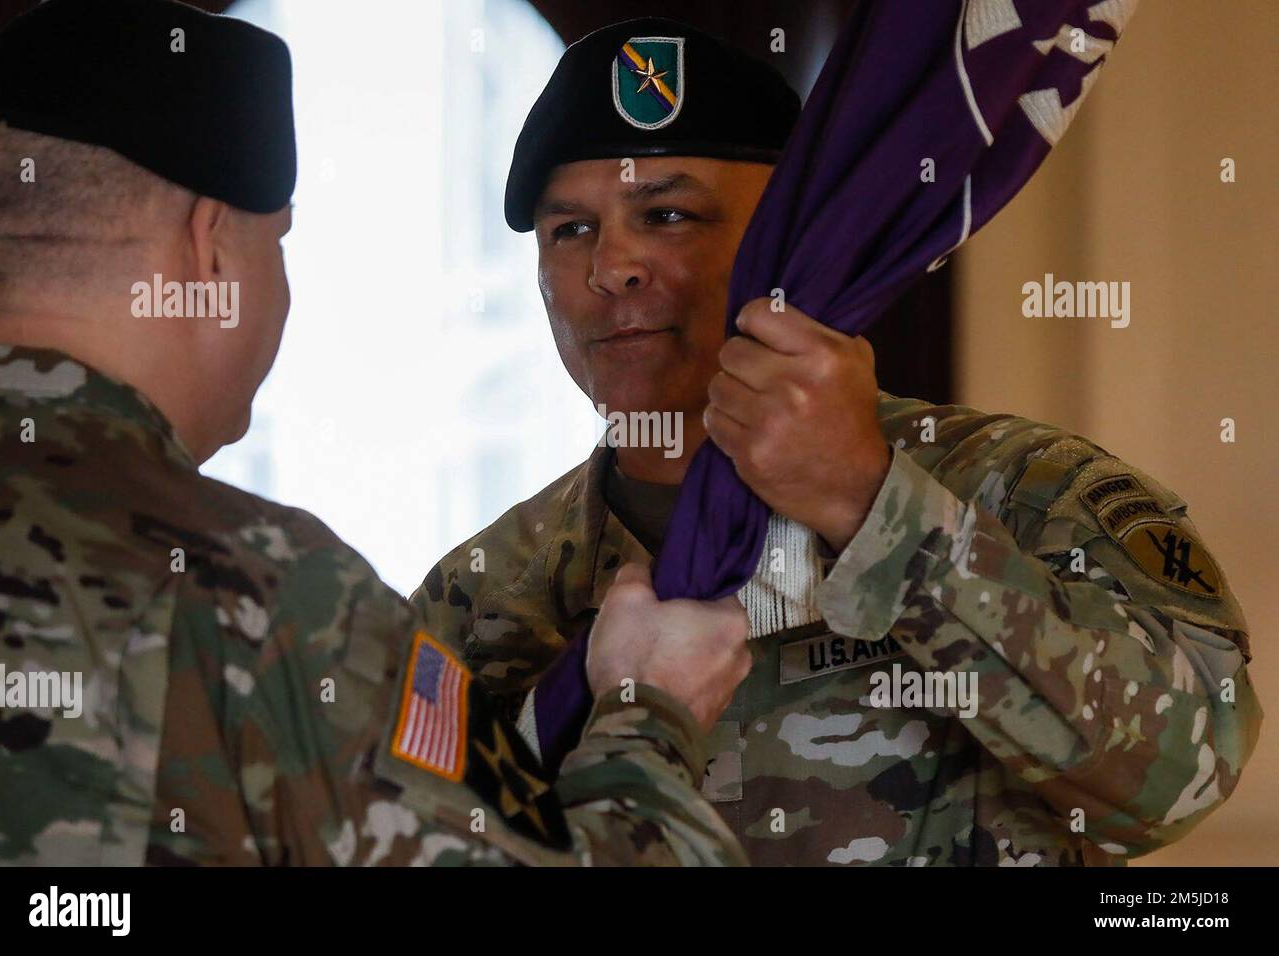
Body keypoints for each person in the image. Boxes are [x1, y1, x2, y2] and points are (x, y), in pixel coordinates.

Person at [408, 16, 1263, 866]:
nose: (610, 268)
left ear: (790, 239)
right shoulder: (477, 594)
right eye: (570, 231)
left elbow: (1180, 776)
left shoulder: (1026, 490)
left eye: (667, 214)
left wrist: (871, 501)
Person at [0, 0, 752, 867]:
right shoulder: (263, 600)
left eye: (669, 216)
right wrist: (650, 714)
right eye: (279, 243)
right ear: (211, 251)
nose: (613, 268)